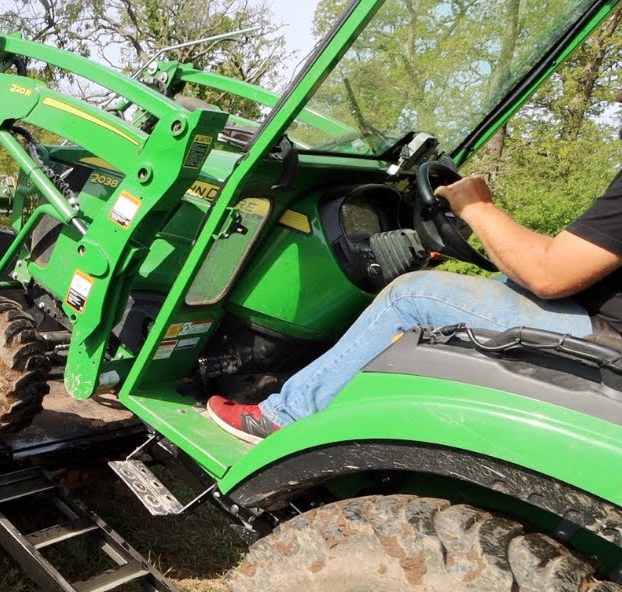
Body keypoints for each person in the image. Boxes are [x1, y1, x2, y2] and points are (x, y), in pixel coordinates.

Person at [207, 169, 622, 444]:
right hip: (599, 325)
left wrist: (477, 207)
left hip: (603, 339)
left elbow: (549, 274)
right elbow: (567, 258)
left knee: (411, 295)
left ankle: (284, 416)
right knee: (497, 282)